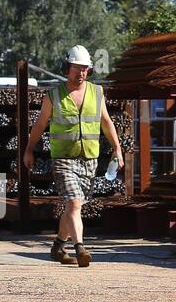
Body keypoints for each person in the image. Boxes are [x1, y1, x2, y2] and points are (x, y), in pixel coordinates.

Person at [21, 45, 124, 266]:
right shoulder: (54, 95)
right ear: (67, 68)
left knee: (73, 206)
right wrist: (29, 149)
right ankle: (80, 249)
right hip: (63, 159)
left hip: (89, 159)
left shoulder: (97, 93)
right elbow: (40, 125)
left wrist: (117, 148)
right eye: (77, 68)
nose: (81, 73)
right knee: (75, 203)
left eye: (85, 69)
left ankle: (59, 245)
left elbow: (106, 122)